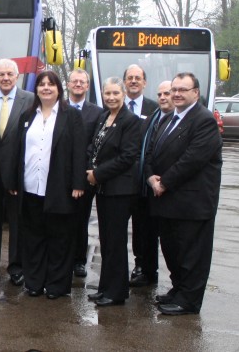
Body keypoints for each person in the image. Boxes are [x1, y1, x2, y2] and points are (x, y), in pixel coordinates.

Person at [145, 72, 222, 315]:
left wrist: (164, 182)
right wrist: (150, 176)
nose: (176, 94)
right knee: (172, 250)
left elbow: (192, 160)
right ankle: (178, 289)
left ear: (196, 93)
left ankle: (189, 300)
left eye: (182, 90)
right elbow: (151, 151)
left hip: (191, 202)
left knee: (192, 254)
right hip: (166, 200)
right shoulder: (169, 119)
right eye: (173, 89)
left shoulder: (204, 120)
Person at [8, 70, 85, 299]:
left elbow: (80, 151)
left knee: (59, 240)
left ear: (59, 89)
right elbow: (18, 150)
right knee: (33, 238)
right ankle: (34, 283)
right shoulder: (27, 116)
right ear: (37, 90)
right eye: (42, 85)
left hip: (59, 189)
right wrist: (14, 180)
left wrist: (78, 183)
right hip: (31, 187)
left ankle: (56, 286)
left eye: (51, 84)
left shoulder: (70, 116)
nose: (46, 88)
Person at [85, 77, 141, 307]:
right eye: (107, 94)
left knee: (116, 241)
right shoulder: (103, 117)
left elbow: (128, 157)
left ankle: (117, 292)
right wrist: (89, 167)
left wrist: (98, 174)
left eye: (115, 93)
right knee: (106, 239)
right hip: (104, 188)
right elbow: (93, 146)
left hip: (120, 189)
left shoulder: (131, 121)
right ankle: (104, 287)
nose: (111, 98)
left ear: (124, 94)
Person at [0, 59, 33, 287]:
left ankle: (16, 267)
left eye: (10, 73)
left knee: (17, 223)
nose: (6, 78)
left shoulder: (29, 100)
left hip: (15, 174)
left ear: (17, 76)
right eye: (1, 74)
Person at [133, 81, 174, 289]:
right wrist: (149, 177)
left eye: (167, 93)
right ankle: (146, 270)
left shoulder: (179, 121)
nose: (163, 97)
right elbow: (146, 151)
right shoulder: (152, 119)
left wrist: (164, 181)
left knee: (169, 238)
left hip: (170, 189)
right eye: (159, 94)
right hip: (147, 186)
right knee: (144, 232)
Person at [122, 64, 160, 286]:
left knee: (144, 228)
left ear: (145, 83)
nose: (134, 81)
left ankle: (143, 267)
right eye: (130, 78)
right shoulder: (114, 106)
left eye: (138, 78)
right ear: (124, 82)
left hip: (143, 180)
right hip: (120, 180)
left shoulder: (154, 109)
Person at [66, 69, 104, 278]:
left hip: (83, 175)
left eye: (82, 82)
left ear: (87, 86)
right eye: (75, 81)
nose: (78, 84)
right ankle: (60, 255)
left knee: (80, 219)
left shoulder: (97, 112)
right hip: (60, 174)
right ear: (69, 85)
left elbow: (95, 143)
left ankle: (79, 260)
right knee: (61, 217)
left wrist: (81, 166)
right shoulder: (59, 107)